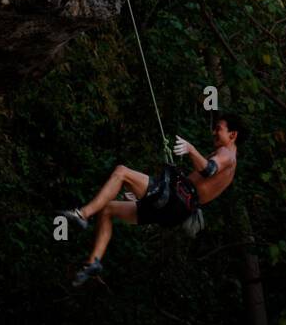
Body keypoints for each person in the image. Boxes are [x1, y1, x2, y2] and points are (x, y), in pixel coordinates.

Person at [60, 115, 241, 285]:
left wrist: (191, 149)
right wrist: (145, 198)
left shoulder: (226, 154)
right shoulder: (231, 167)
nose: (214, 133)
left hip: (175, 200)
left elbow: (208, 170)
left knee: (121, 171)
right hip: (176, 212)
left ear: (232, 135)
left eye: (218, 129)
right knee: (107, 210)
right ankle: (93, 262)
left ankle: (82, 214)